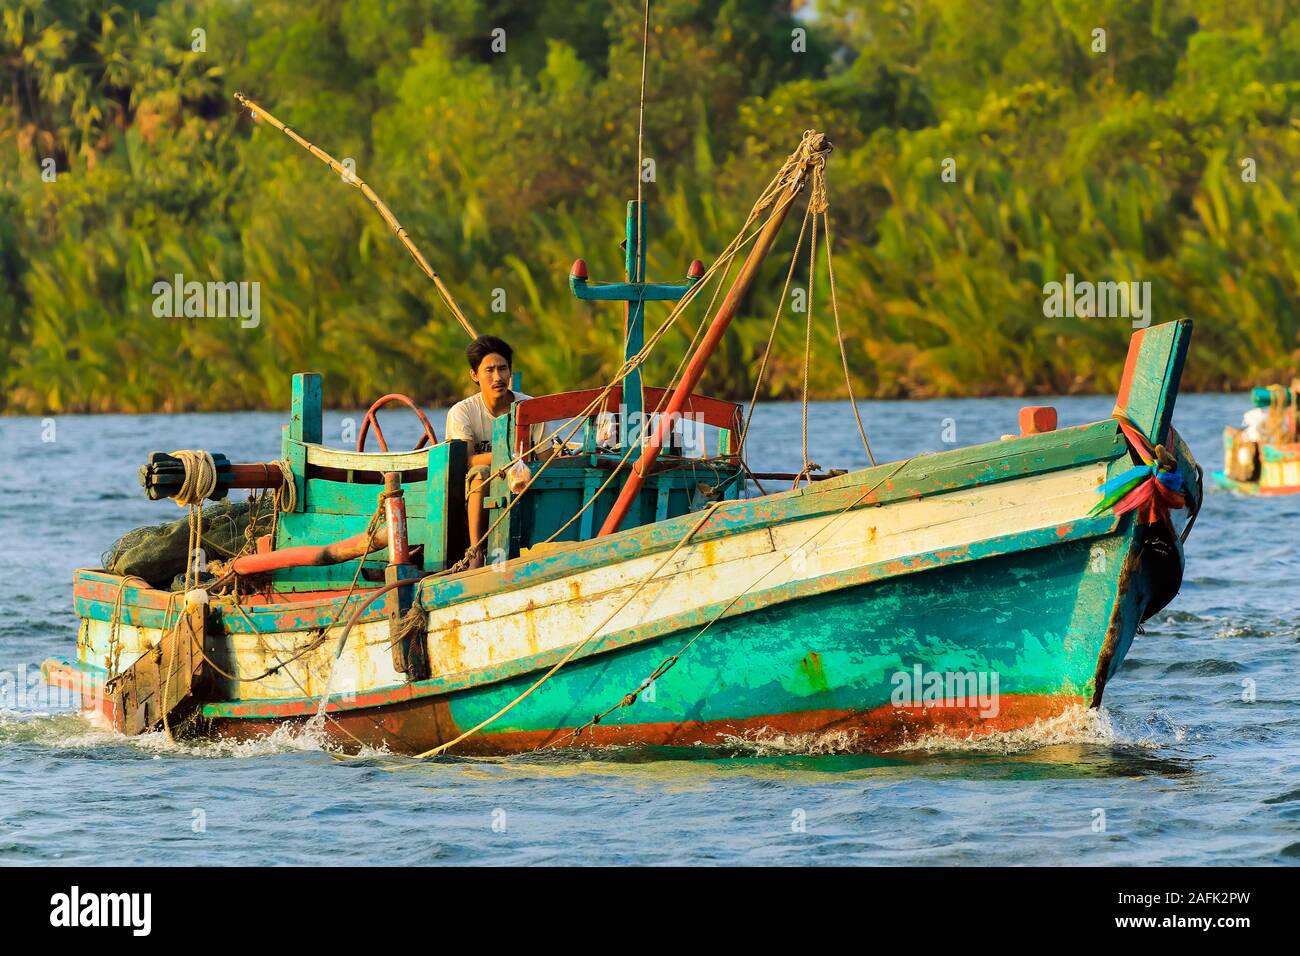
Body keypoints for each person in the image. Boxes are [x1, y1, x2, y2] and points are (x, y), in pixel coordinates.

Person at [445, 335, 532, 567]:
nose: (497, 377)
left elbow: (543, 457)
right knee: (481, 473)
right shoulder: (462, 412)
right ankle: (476, 551)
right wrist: (508, 458)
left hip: (520, 485)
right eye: (489, 370)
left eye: (503, 369)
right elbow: (466, 460)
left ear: (510, 372)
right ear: (474, 375)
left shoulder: (530, 408)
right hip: (470, 492)